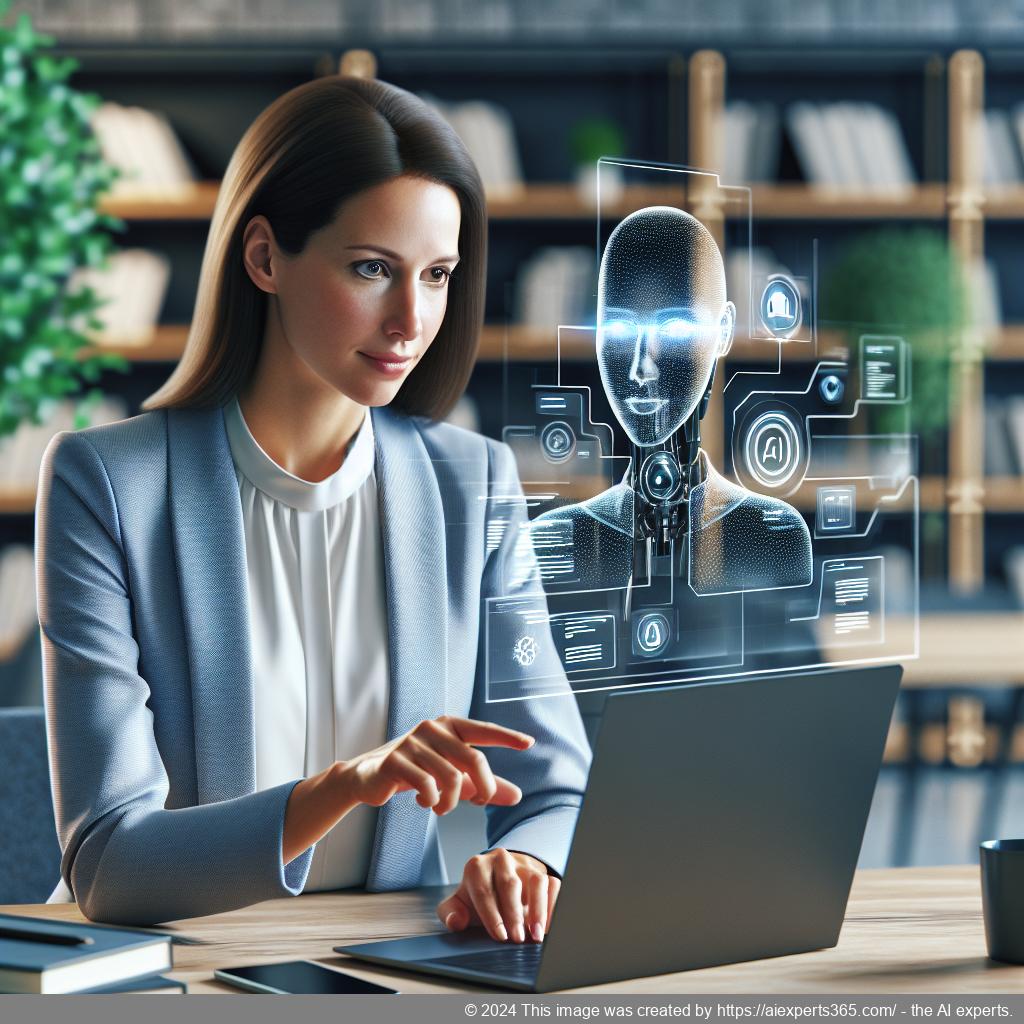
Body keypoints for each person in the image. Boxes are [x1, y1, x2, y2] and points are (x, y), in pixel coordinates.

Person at [35, 75, 591, 945]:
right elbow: (110, 865)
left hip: (387, 967)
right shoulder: (106, 485)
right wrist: (347, 785)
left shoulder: (473, 484)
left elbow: (556, 786)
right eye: (372, 269)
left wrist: (528, 862)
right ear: (263, 258)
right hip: (173, 971)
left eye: (437, 275)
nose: (412, 319)